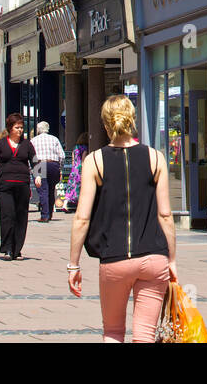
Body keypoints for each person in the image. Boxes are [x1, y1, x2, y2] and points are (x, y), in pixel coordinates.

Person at [68, 95, 177, 343]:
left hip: (114, 257)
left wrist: (73, 265)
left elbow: (82, 219)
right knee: (145, 334)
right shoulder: (155, 157)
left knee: (113, 332)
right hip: (153, 256)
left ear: (106, 125)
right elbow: (165, 215)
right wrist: (172, 259)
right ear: (133, 120)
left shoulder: (94, 161)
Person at [0, 114, 39, 260]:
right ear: (10, 128)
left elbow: (35, 160)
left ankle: (17, 249)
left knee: (21, 216)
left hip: (22, 184)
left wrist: (39, 175)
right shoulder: (1, 144)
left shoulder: (27, 144)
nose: (20, 130)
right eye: (17, 127)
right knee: (7, 215)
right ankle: (8, 248)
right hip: (5, 186)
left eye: (22, 127)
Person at [30, 121, 66, 223]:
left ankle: (45, 215)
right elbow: (62, 156)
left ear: (38, 130)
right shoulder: (54, 139)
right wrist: (60, 167)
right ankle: (49, 213)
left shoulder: (33, 140)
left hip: (39, 164)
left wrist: (32, 168)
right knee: (51, 190)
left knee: (43, 190)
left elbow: (31, 156)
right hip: (53, 164)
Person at [63, 132, 89, 213]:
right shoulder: (85, 148)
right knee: (80, 188)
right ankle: (80, 206)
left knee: (71, 187)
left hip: (74, 169)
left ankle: (65, 204)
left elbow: (73, 160)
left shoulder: (75, 148)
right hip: (80, 169)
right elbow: (83, 159)